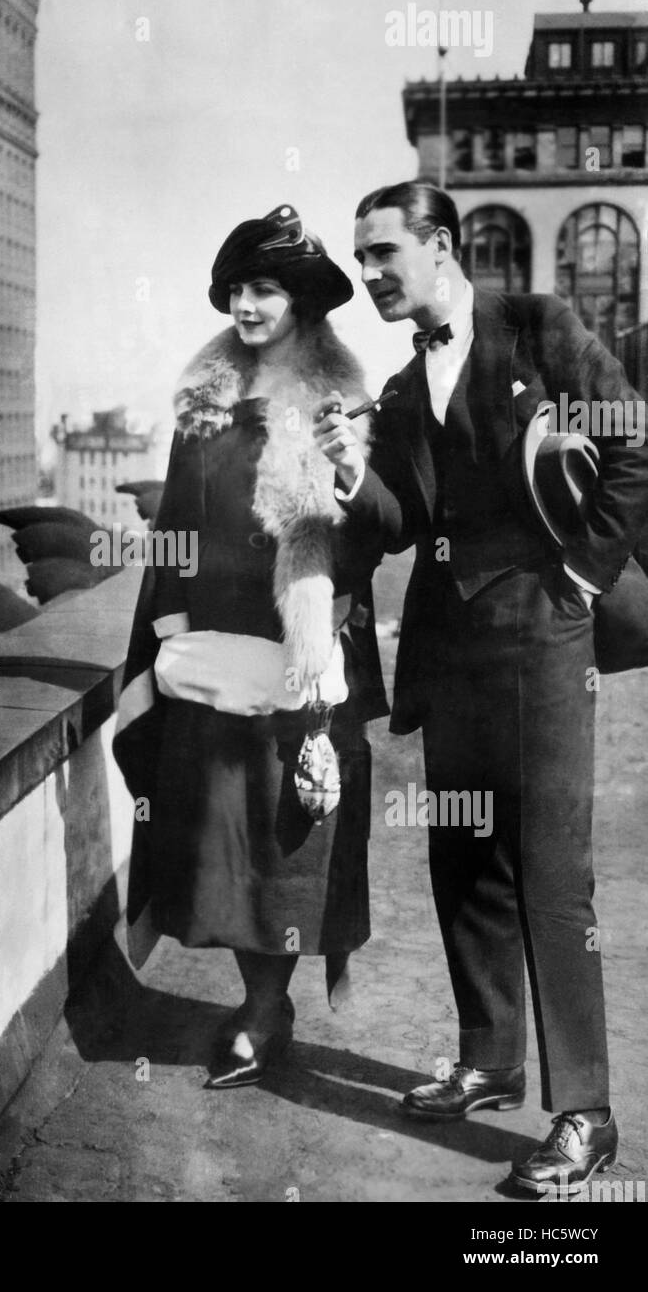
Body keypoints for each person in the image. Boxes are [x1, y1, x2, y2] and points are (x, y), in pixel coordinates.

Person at [313, 180, 648, 1192]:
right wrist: (343, 474)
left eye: (381, 254)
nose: (366, 274)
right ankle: (488, 1054)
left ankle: (583, 1113)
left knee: (550, 867)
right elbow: (395, 522)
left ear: (441, 248)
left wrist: (580, 579)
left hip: (540, 634)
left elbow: (631, 443)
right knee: (463, 855)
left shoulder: (534, 327)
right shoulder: (402, 389)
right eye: (360, 258)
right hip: (448, 641)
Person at [114, 205, 388, 1089]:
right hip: (211, 655)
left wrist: (350, 484)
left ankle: (267, 1012)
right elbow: (175, 525)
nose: (246, 304)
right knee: (224, 846)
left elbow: (370, 535)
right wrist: (167, 632)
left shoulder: (342, 404)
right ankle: (261, 1005)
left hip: (296, 652)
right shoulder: (202, 407)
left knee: (283, 845)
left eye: (264, 287)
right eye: (235, 288)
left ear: (302, 301)